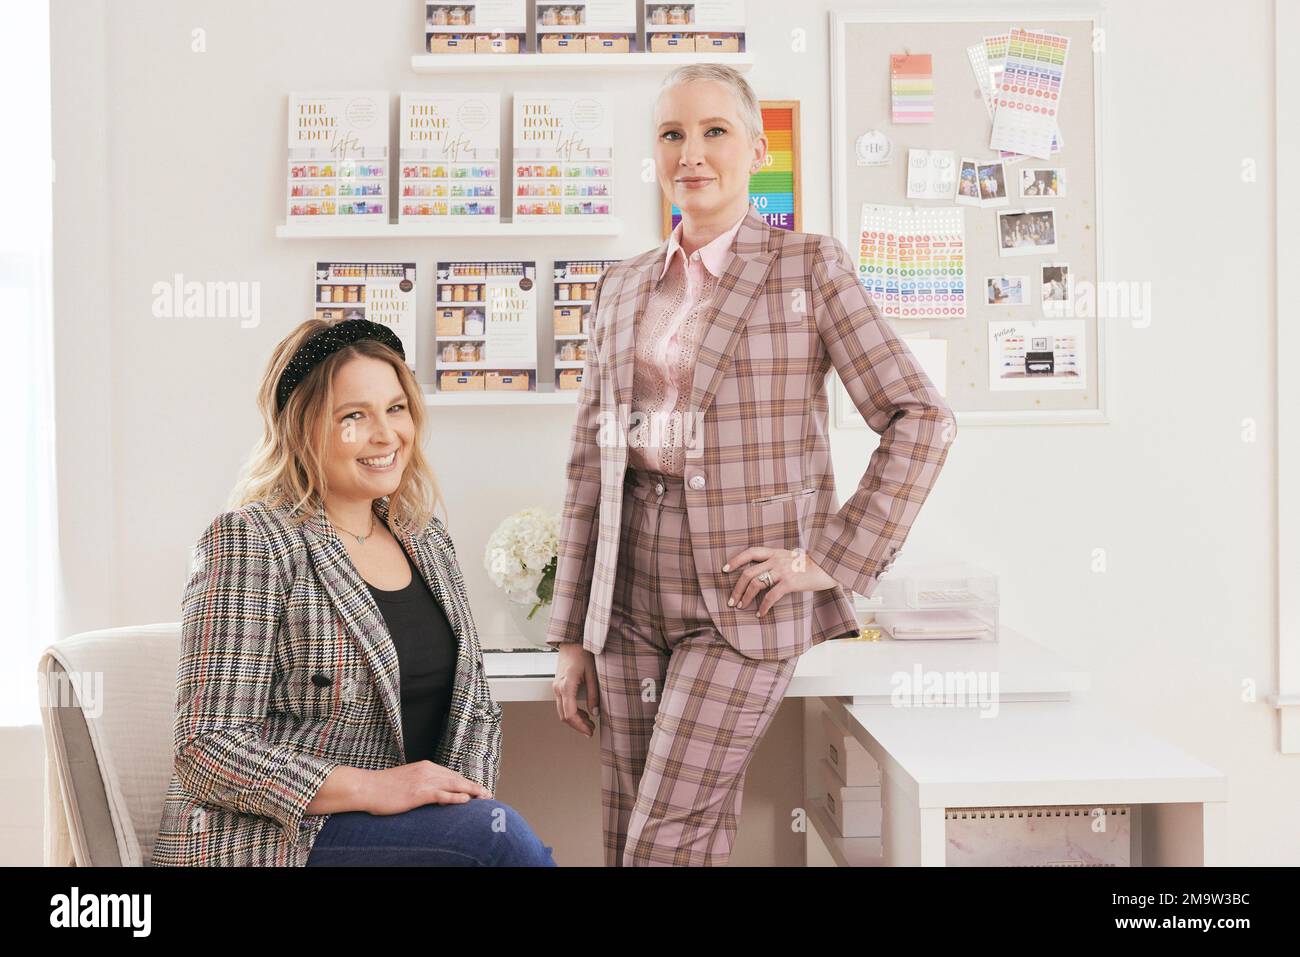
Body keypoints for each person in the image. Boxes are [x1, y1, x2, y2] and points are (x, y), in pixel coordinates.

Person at [546, 64, 958, 866]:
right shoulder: (621, 287)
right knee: (638, 824)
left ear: (756, 147)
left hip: (743, 592)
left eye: (713, 132)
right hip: (627, 595)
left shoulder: (808, 265)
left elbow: (921, 418)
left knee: (663, 836)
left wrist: (828, 558)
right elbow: (588, 468)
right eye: (672, 135)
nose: (690, 153)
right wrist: (572, 633)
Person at [152, 318, 555, 866]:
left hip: (403, 831)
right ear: (301, 427)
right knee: (500, 845)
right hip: (275, 839)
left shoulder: (424, 536)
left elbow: (477, 708)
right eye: (354, 416)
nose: (386, 435)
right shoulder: (252, 539)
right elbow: (206, 748)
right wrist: (377, 788)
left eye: (396, 408)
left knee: (498, 839)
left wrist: (460, 803)